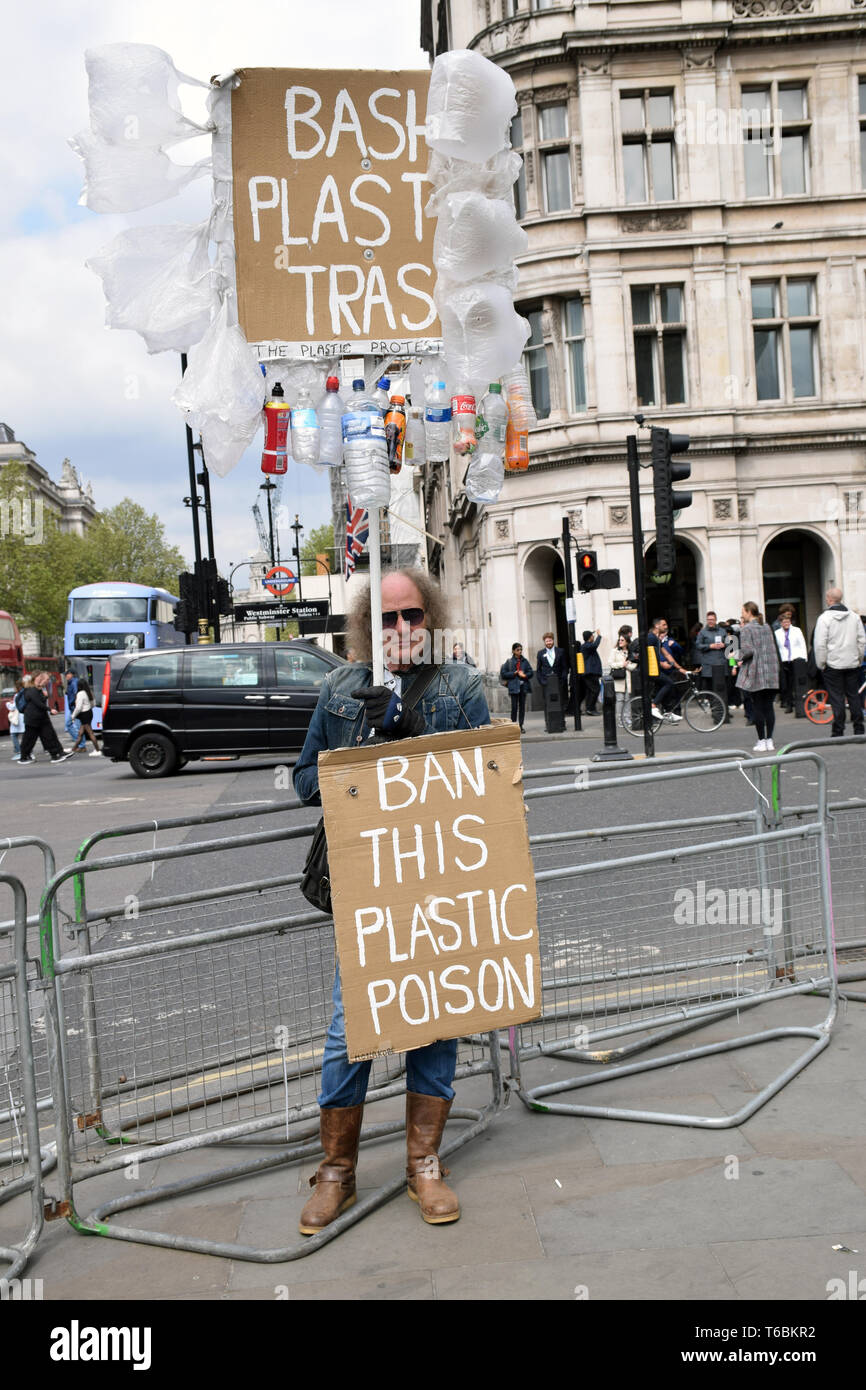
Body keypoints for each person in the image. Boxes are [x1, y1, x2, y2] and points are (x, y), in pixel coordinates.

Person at [292, 567, 490, 1235]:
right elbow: (303, 782)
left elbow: (486, 777)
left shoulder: (460, 685)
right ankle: (336, 1171)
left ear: (428, 619)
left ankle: (424, 1163)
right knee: (354, 1025)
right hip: (367, 881)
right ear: (366, 625)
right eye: (387, 617)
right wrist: (363, 749)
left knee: (437, 1015)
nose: (401, 629)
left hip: (440, 877)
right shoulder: (340, 689)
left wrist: (411, 737)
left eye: (411, 616)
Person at [812, 587, 866, 738]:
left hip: (833, 663)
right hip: (852, 662)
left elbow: (820, 644)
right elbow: (862, 641)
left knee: (836, 697)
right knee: (853, 695)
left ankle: (838, 729)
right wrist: (858, 659)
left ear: (829, 599)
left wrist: (821, 663)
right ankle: (859, 728)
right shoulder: (854, 617)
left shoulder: (824, 619)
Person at [735, 602, 782, 752]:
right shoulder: (766, 626)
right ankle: (770, 740)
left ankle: (761, 740)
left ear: (749, 612)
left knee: (758, 707)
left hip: (756, 672)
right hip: (771, 671)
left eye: (743, 611)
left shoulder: (747, 629)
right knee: (769, 707)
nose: (742, 614)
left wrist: (735, 655)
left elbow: (748, 651)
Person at [17, 674, 67, 764]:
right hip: (33, 719)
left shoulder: (37, 690)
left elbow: (41, 701)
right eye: (44, 680)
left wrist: (45, 697)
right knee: (29, 739)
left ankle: (54, 755)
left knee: (47, 737)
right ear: (37, 680)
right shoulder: (31, 690)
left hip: (40, 718)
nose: (46, 682)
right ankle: (24, 757)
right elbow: (38, 703)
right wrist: (50, 709)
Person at [774, 613, 808, 713]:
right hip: (784, 660)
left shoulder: (797, 630)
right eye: (784, 622)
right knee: (786, 685)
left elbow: (802, 644)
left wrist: (804, 658)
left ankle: (799, 704)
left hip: (796, 659)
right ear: (781, 623)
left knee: (796, 683)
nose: (786, 623)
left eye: (788, 621)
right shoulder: (777, 633)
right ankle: (789, 704)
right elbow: (777, 648)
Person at [535, 631, 568, 731]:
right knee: (547, 704)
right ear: (544, 642)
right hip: (547, 684)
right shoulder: (540, 653)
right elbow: (539, 670)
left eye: (550, 640)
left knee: (560, 703)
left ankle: (562, 723)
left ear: (553, 640)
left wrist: (562, 680)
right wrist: (542, 682)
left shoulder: (560, 651)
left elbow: (565, 668)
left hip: (558, 683)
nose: (549, 642)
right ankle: (548, 724)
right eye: (547, 641)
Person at [500, 642, 533, 731]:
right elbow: (503, 674)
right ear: (513, 651)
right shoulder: (509, 662)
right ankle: (513, 725)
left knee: (522, 707)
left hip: (523, 687)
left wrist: (525, 675)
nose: (520, 651)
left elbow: (531, 672)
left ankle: (521, 726)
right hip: (513, 687)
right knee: (514, 707)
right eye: (518, 650)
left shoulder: (525, 661)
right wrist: (513, 673)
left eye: (521, 649)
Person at [66, 680, 101, 757]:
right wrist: (88, 707)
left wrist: (73, 716)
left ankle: (97, 750)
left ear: (79, 686)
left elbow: (78, 708)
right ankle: (73, 749)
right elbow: (93, 704)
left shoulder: (80, 694)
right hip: (89, 712)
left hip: (84, 714)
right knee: (80, 733)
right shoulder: (89, 692)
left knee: (90, 733)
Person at [578, 629, 602, 714]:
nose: (593, 637)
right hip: (589, 673)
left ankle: (589, 708)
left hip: (591, 672)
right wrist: (599, 636)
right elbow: (595, 645)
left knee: (590, 691)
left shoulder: (588, 646)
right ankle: (590, 708)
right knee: (596, 690)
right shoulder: (586, 646)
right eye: (592, 636)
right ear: (589, 637)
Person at [6, 678, 24, 761]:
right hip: (23, 717)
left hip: (17, 718)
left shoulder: (17, 695)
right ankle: (26, 752)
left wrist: (8, 703)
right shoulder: (24, 693)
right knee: (24, 735)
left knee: (13, 735)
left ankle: (19, 752)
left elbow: (13, 707)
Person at [63, 670, 81, 745]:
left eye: (67, 674)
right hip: (73, 707)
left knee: (71, 725)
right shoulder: (71, 682)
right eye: (65, 674)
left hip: (74, 707)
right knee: (78, 726)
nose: (66, 676)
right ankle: (79, 742)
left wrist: (75, 705)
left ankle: (79, 742)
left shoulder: (74, 682)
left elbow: (76, 694)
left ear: (71, 675)